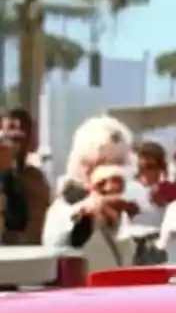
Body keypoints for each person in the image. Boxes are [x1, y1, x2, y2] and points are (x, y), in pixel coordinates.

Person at [43, 115, 144, 273]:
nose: (112, 184)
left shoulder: (120, 211)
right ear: (85, 167)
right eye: (106, 165)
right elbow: (66, 244)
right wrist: (88, 214)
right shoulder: (64, 211)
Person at [1, 108, 50, 245]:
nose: (18, 135)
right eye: (11, 128)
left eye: (23, 129)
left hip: (29, 251)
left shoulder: (36, 179)